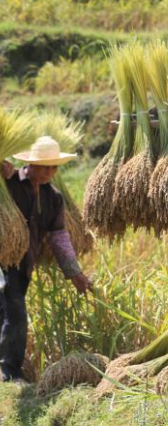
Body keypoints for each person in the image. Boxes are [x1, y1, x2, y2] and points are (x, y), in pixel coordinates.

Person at [0, 136, 94, 382]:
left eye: (54, 167)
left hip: (24, 264)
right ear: (29, 164)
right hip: (2, 262)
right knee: (17, 313)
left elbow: (59, 237)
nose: (49, 172)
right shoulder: (8, 180)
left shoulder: (53, 197)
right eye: (44, 166)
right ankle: (10, 371)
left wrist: (75, 273)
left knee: (8, 313)